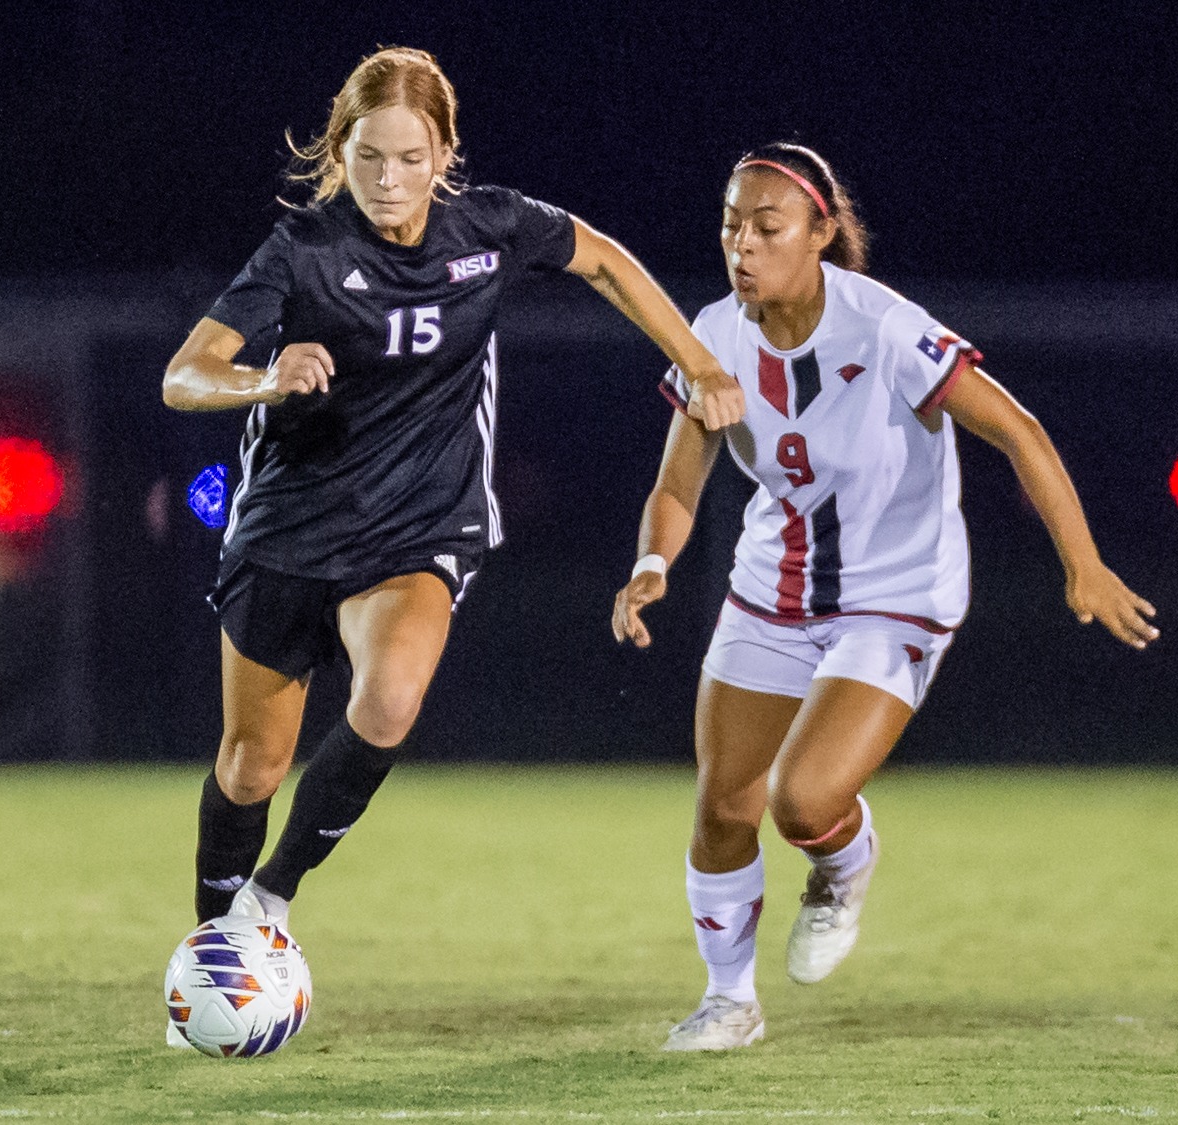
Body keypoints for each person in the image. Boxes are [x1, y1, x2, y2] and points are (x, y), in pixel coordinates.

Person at [160, 45, 744, 1033]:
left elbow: (599, 257)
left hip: (419, 530)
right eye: (369, 157)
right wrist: (262, 377)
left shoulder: (490, 230)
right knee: (249, 767)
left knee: (390, 696)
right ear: (338, 152)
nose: (388, 180)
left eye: (409, 156)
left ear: (443, 156)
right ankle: (216, 946)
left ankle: (272, 899)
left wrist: (697, 359)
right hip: (287, 531)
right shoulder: (299, 250)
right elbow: (184, 374)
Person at [612, 142, 1159, 1052]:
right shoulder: (713, 333)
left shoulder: (884, 329)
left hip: (895, 595)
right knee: (722, 807)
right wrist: (654, 564)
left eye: (767, 226)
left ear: (821, 232)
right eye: (730, 225)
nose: (742, 244)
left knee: (802, 799)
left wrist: (1084, 564)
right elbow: (680, 482)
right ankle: (728, 1002)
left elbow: (1018, 431)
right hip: (771, 593)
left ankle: (843, 859)